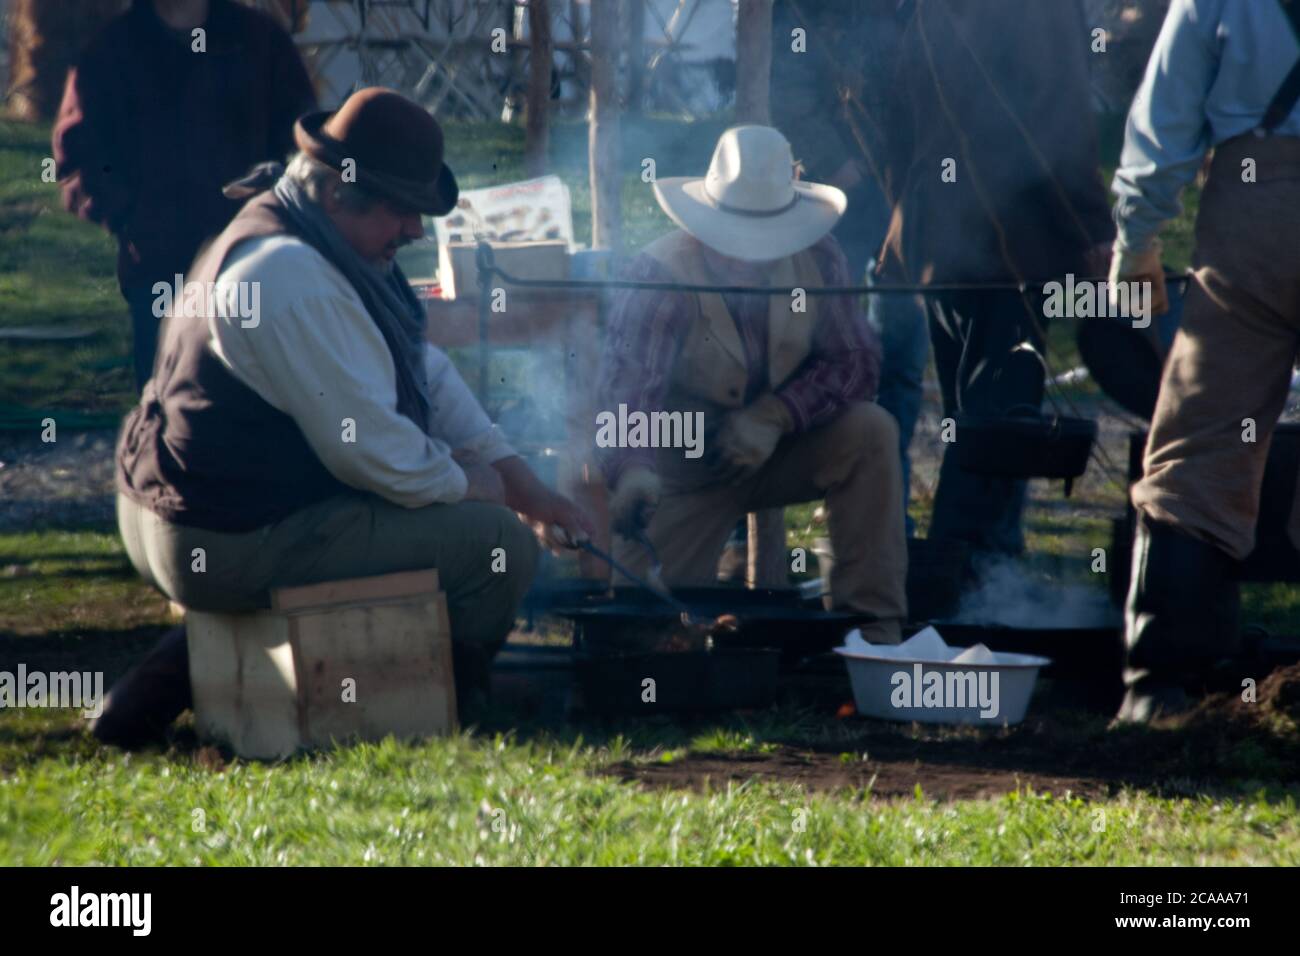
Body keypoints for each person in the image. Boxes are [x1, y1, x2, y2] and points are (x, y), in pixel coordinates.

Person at [93, 88, 593, 747]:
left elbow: (420, 373)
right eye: (402, 210)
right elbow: (374, 456)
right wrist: (485, 490)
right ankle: (444, 707)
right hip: (214, 536)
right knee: (494, 546)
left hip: (207, 515)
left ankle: (157, 687)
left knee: (440, 515)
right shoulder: (287, 275)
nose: (416, 230)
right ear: (338, 193)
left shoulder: (319, 237)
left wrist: (524, 482)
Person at [596, 125, 907, 644]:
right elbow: (626, 396)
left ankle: (871, 633)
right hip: (679, 473)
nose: (743, 257)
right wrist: (633, 470)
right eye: (729, 242)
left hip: (781, 449)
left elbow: (857, 363)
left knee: (872, 430)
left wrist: (777, 414)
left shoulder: (820, 259)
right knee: (644, 635)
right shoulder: (659, 275)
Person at [1111, 0, 1300, 723]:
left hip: (1254, 207)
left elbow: (1166, 116)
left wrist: (1137, 241)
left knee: (1201, 444)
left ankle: (1158, 691)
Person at [878, 0, 1114, 558]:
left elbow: (895, 125)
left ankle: (977, 581)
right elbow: (1056, 128)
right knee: (998, 429)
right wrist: (1094, 227)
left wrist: (907, 211)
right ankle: (969, 590)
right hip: (1009, 244)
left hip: (939, 241)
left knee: (973, 419)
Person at [52, 0, 316, 389]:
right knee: (167, 397)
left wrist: (278, 211)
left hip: (253, 258)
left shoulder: (257, 40)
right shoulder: (113, 50)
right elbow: (79, 156)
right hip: (159, 266)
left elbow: (300, 136)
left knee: (259, 398)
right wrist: (130, 214)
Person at [770, 0, 928, 531]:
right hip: (839, 201)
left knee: (902, 361)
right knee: (838, 355)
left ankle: (887, 508)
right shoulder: (799, 11)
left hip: (903, 197)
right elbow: (787, 86)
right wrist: (840, 164)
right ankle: (842, 490)